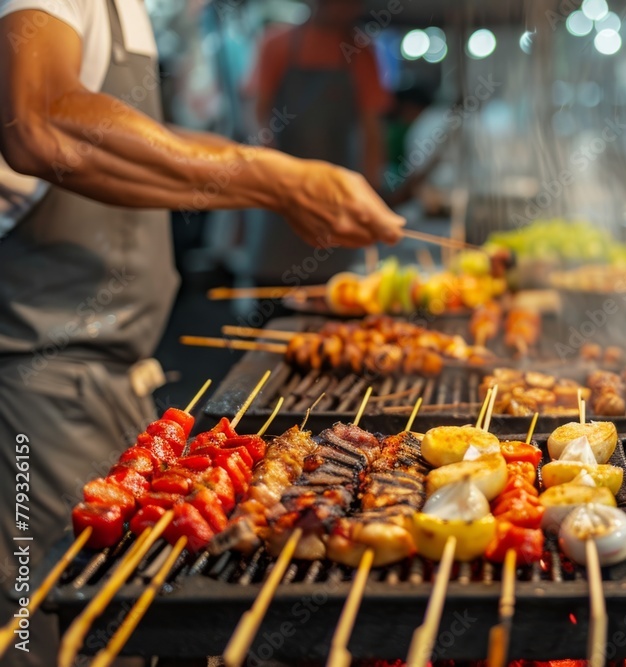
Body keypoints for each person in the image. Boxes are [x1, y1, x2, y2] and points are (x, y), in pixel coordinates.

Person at [0, 2, 403, 665]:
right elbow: (38, 120)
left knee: (126, 620)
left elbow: (130, 138)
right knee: (45, 630)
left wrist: (282, 182)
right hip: (35, 371)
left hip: (117, 370)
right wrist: (276, 178)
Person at [235, 0, 391, 285]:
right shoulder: (277, 43)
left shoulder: (362, 53)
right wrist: (265, 149)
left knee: (336, 290)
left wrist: (373, 188)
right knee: (273, 286)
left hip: (337, 193)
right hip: (281, 191)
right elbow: (257, 112)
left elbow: (372, 132)